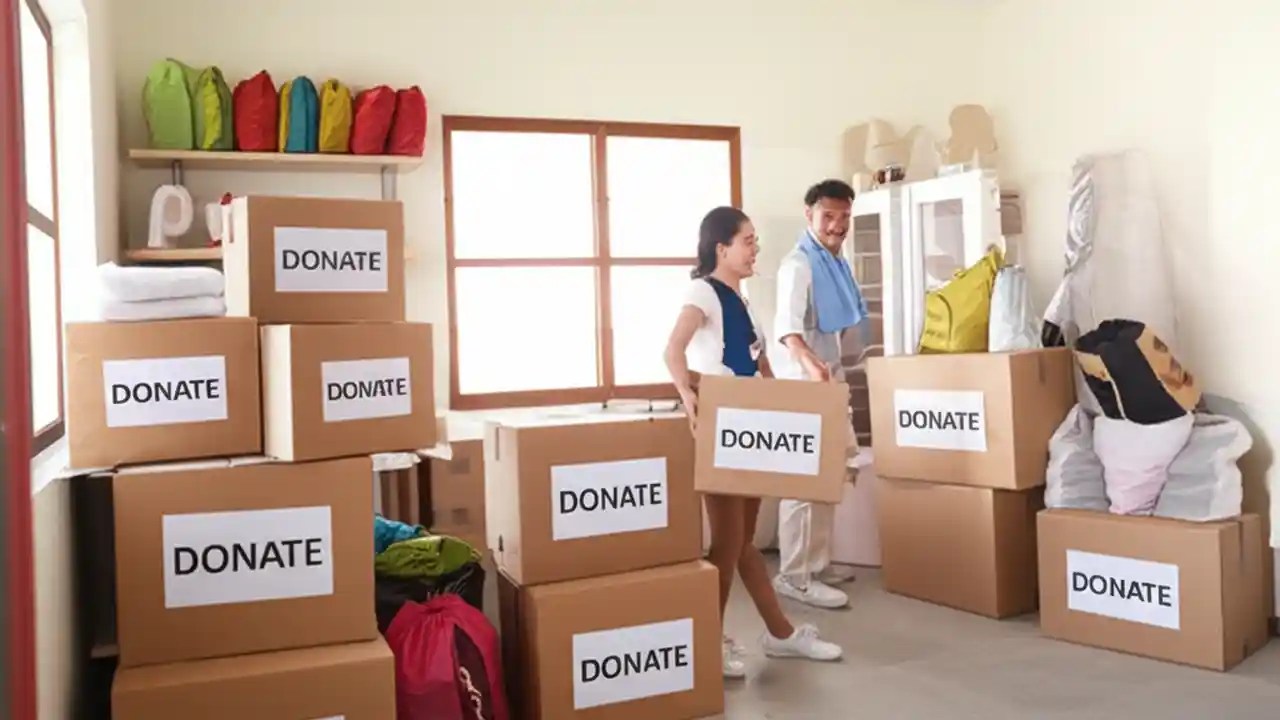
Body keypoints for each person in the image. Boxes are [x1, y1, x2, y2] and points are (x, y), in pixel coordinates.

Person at [664, 206, 843, 680]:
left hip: (751, 431)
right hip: (724, 431)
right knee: (727, 544)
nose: (754, 248)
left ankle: (779, 634)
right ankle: (710, 640)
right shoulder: (702, 291)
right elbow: (673, 349)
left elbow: (760, 366)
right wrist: (686, 395)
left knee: (741, 543)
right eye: (747, 240)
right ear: (721, 248)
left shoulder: (741, 302)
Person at [771, 179, 868, 610]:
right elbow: (787, 329)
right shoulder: (799, 264)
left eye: (844, 217)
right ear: (809, 214)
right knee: (802, 482)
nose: (837, 225)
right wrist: (812, 366)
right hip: (805, 385)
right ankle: (794, 575)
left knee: (832, 474)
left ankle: (817, 562)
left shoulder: (836, 263)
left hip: (830, 382)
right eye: (828, 216)